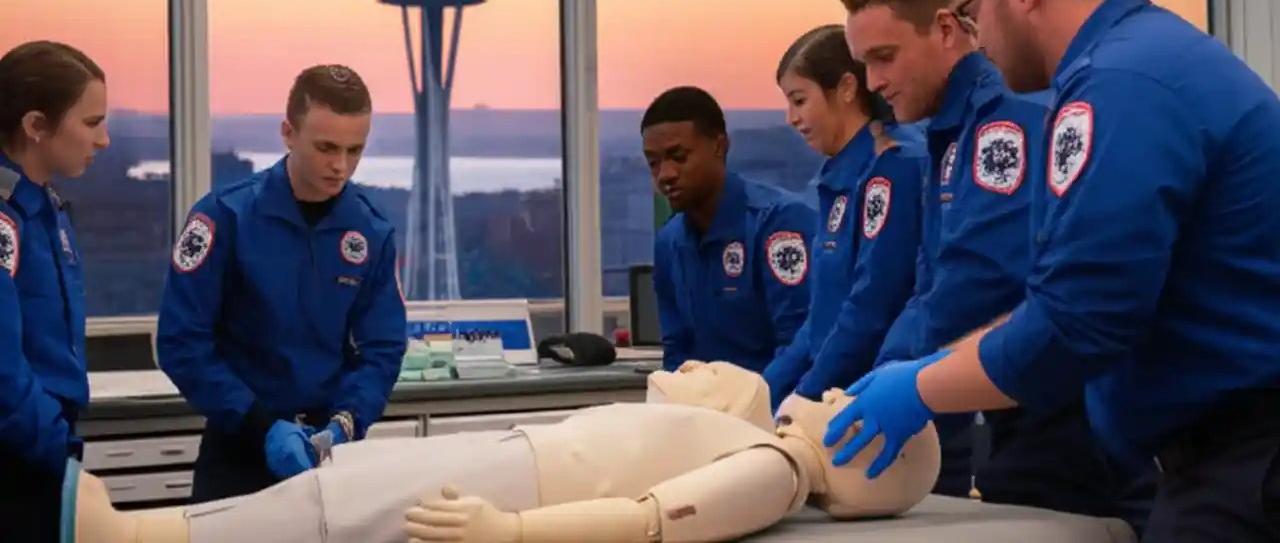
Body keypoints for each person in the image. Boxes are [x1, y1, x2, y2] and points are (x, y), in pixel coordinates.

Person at [824, 0, 1280, 541]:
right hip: (1217, 456)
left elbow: (1077, 319)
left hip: (1244, 463)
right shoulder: (1143, 60)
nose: (975, 40)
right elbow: (1066, 295)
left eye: (972, 17)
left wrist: (918, 387)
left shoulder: (1119, 86)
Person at [837, 0, 1126, 517]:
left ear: (946, 29)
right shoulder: (950, 134)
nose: (874, 82)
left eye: (885, 57)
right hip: (1022, 409)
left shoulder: (1003, 124)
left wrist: (869, 387)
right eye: (864, 64)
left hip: (1072, 424)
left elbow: (978, 282)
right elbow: (933, 283)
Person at [67, 361, 945, 543]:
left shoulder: (778, 470)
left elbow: (657, 521)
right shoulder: (759, 433)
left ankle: (142, 537)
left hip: (523, 486)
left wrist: (511, 533)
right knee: (352, 483)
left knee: (338, 515)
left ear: (870, 456)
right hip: (525, 456)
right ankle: (159, 526)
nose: (840, 395)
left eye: (851, 406)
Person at [157, 65, 408, 504]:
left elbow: (382, 349)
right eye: (326, 147)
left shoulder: (370, 231)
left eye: (355, 150)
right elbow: (182, 342)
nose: (340, 166)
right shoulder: (224, 217)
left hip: (330, 456)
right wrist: (261, 426)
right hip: (239, 448)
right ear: (288, 133)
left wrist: (347, 422)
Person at [763, 25, 926, 411]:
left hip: (882, 404)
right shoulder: (842, 177)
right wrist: (758, 394)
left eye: (800, 101)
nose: (791, 118)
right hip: (838, 398)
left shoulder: (892, 166)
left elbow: (871, 307)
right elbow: (823, 319)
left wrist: (803, 399)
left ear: (847, 88)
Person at [0, 40, 110, 542]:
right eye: (91, 123)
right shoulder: (5, 220)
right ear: (36, 126)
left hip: (44, 449)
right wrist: (55, 451)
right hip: (18, 459)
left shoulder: (46, 210)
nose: (104, 140)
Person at [644, 86, 815, 374]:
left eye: (679, 156)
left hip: (777, 406)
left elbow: (801, 343)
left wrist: (750, 404)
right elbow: (677, 351)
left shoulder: (778, 222)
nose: (665, 175)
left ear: (719, 146)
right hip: (707, 411)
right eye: (653, 163)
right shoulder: (668, 242)